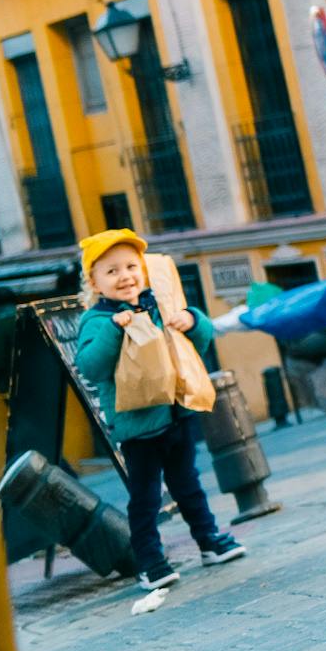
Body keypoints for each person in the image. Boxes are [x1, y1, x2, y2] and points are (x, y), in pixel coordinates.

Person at [72, 228, 247, 595]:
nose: (125, 277)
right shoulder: (97, 320)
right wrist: (114, 331)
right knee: (146, 496)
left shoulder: (157, 304)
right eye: (112, 271)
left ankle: (209, 539)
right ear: (94, 282)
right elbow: (91, 367)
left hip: (176, 413)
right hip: (138, 426)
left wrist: (192, 320)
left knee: (189, 485)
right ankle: (150, 562)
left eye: (131, 266)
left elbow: (196, 343)